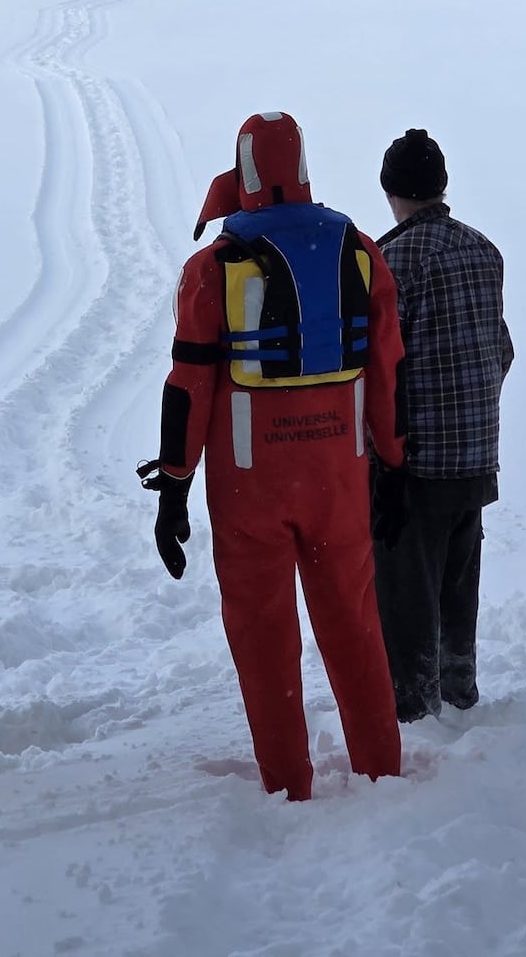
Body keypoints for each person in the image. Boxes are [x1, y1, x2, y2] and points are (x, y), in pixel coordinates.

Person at [141, 112, 408, 800]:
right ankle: (381, 768)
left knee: (264, 640)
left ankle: (290, 785)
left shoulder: (211, 268)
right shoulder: (361, 251)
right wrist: (397, 460)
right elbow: (388, 368)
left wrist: (174, 487)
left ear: (245, 169)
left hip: (250, 487)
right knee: (355, 624)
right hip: (339, 479)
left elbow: (189, 384)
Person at [372, 129, 514, 723]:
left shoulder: (387, 259)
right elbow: (501, 349)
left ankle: (413, 714)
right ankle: (460, 696)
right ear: (443, 185)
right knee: (459, 587)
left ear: (389, 190)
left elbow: (378, 364)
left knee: (406, 595)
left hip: (416, 463)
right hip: (476, 454)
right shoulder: (484, 250)